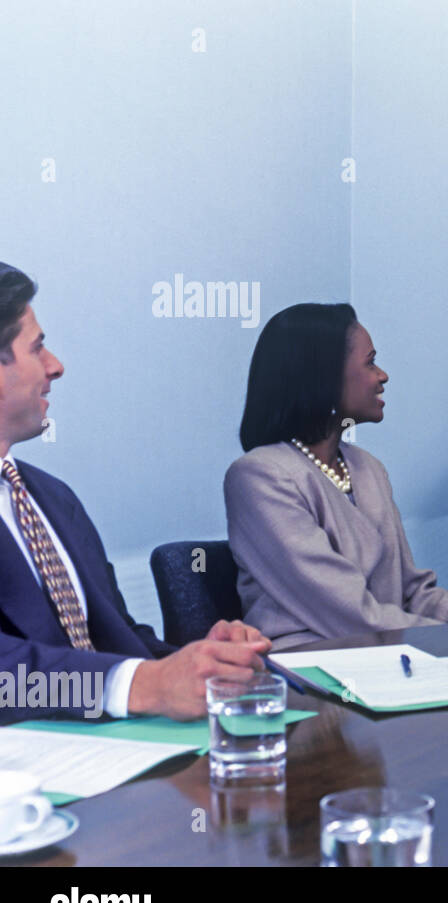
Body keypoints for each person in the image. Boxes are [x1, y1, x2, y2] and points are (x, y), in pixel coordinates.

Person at [0, 262, 270, 723]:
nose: (56, 366)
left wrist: (200, 663)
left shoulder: (50, 498)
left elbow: (116, 637)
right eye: (37, 347)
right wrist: (144, 685)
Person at [224, 304, 448, 641]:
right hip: (309, 670)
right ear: (324, 376)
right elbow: (350, 614)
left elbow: (414, 596)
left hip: (384, 656)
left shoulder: (368, 468)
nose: (383, 375)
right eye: (370, 362)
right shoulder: (259, 477)